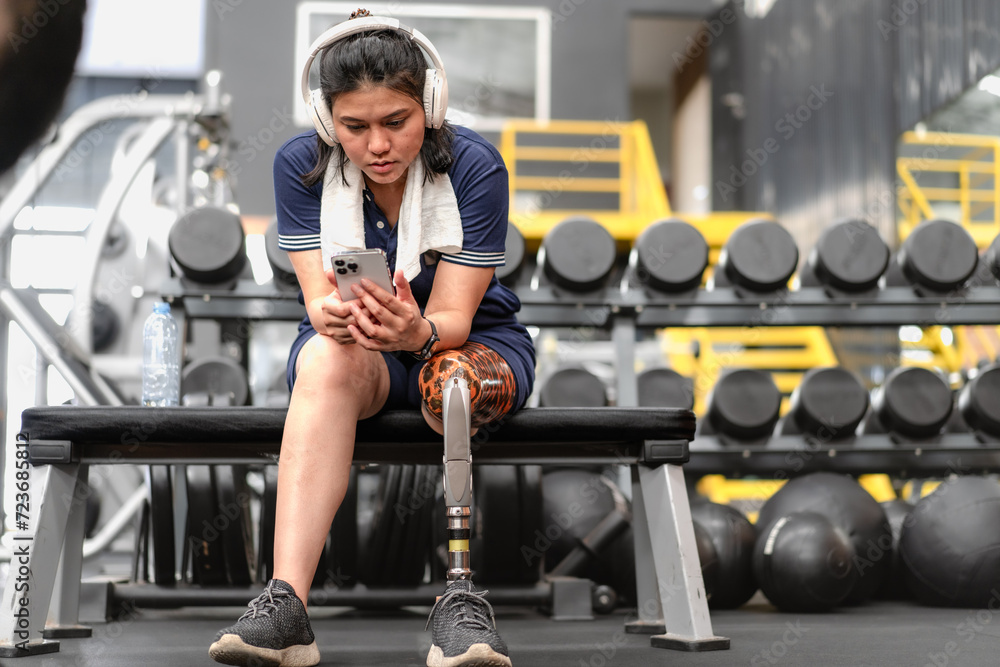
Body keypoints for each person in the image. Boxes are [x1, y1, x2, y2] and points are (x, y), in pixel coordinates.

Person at [208, 9, 534, 667]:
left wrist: (417, 331)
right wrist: (333, 315)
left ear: (430, 108)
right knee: (324, 357)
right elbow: (320, 300)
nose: (378, 144)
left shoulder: (475, 167)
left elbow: (453, 320)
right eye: (355, 127)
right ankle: (286, 605)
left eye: (396, 122)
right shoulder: (301, 165)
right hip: (361, 350)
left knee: (454, 383)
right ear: (329, 121)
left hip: (467, 344)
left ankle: (460, 600)